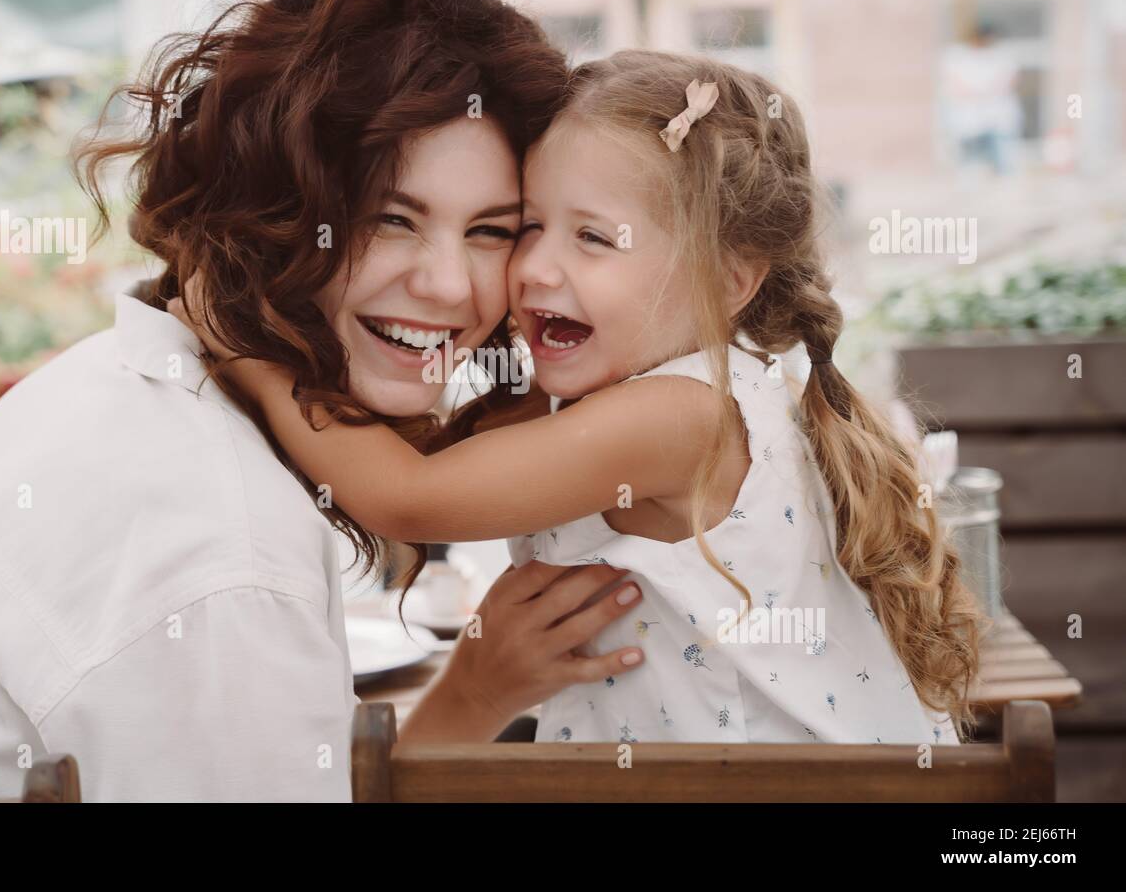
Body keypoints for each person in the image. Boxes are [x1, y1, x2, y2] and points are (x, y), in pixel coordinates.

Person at [0, 0, 646, 802]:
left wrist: (474, 696)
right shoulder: (225, 551)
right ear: (275, 215)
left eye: (489, 231)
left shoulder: (128, 381)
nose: (450, 286)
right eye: (389, 219)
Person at [173, 50, 985, 747]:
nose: (532, 270)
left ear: (730, 280)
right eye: (528, 227)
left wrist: (252, 353)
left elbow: (406, 496)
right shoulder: (598, 398)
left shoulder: (682, 415)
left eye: (593, 238)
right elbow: (417, 456)